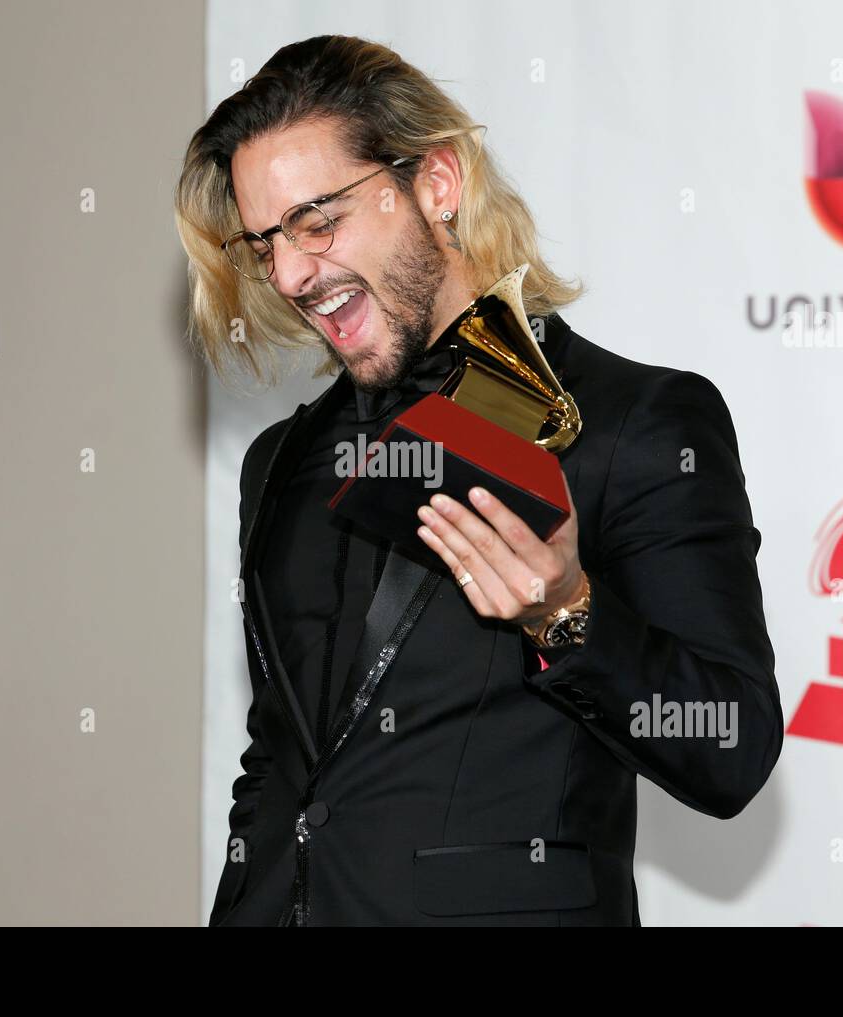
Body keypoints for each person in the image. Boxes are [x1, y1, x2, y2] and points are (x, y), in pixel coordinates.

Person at [174, 34, 783, 926]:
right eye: (265, 242)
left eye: (317, 220)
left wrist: (565, 610)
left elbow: (729, 749)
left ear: (438, 185)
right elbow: (282, 768)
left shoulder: (631, 422)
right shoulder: (281, 463)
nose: (293, 274)